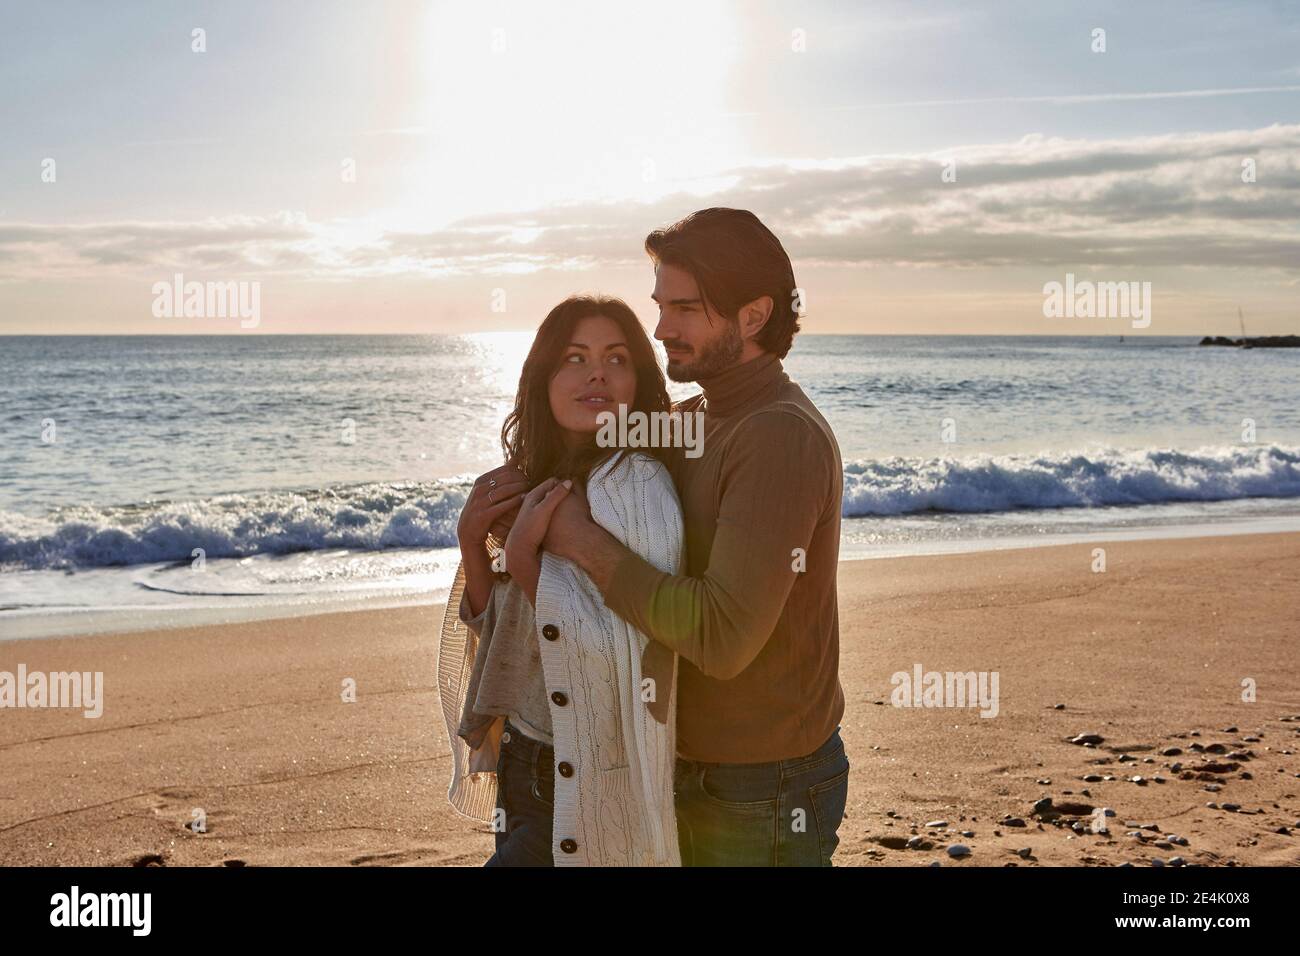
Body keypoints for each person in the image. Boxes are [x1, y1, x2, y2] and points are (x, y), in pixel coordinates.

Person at [538, 208, 850, 866]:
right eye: (660, 305)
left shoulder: (778, 434)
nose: (661, 329)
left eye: (685, 308)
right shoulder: (692, 418)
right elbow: (580, 461)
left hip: (762, 785)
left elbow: (723, 637)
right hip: (686, 762)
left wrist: (580, 543)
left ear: (754, 315)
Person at [436, 294, 684, 866]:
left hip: (581, 767)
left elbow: (637, 653)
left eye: (617, 358)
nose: (597, 371)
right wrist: (476, 548)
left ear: (637, 384)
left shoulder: (638, 489)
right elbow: (507, 637)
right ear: (543, 377)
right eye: (575, 358)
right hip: (523, 756)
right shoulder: (536, 480)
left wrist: (525, 561)